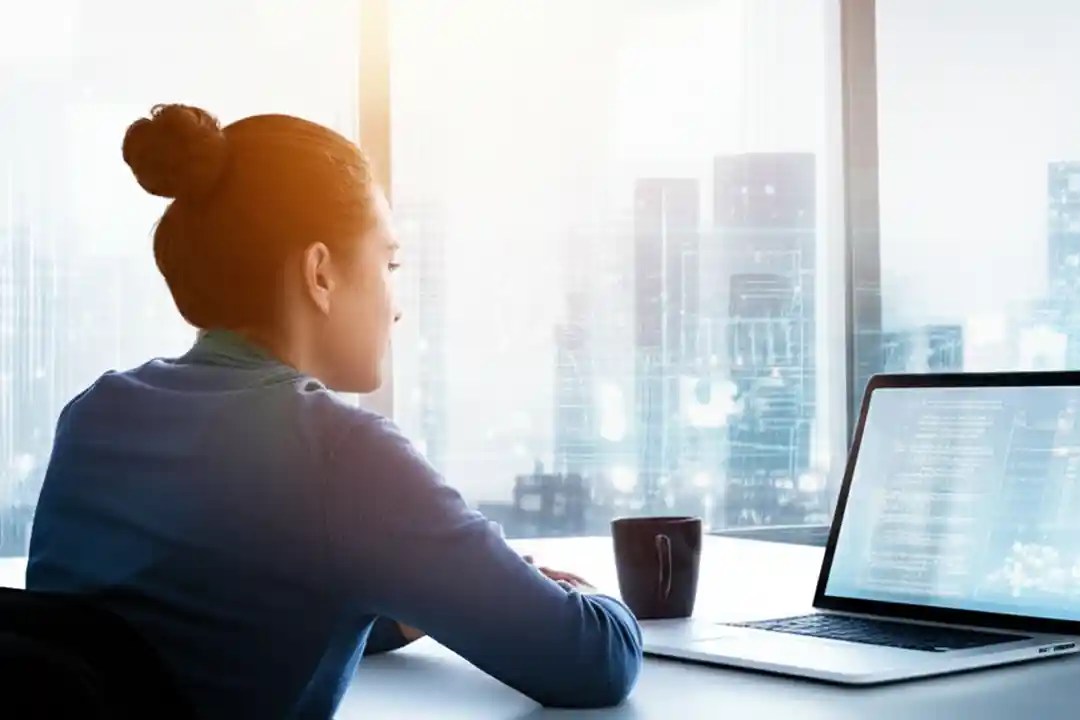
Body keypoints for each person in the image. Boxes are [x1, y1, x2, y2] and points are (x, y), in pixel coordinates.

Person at [25, 104, 642, 718]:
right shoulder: (339, 454)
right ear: (320, 273)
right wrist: (589, 600)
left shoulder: (97, 416)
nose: (396, 307)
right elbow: (591, 661)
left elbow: (195, 620)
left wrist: (410, 601)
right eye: (389, 264)